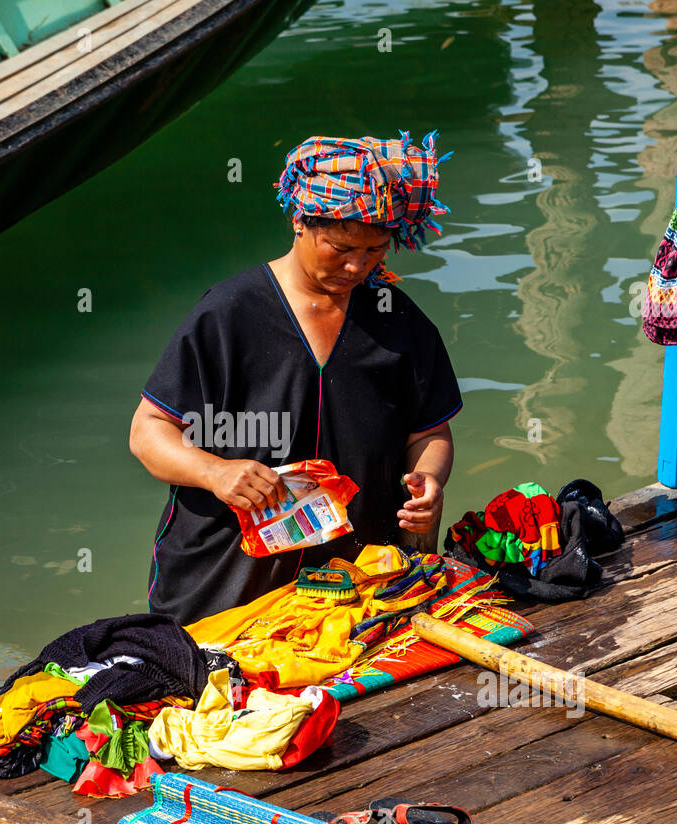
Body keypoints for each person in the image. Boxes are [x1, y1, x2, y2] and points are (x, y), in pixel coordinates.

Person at [130, 130, 463, 625]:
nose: (357, 266)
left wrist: (428, 481)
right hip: (226, 585)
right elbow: (148, 433)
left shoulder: (397, 319)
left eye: (375, 250)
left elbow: (430, 432)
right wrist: (216, 472)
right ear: (299, 222)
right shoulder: (229, 313)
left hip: (356, 587)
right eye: (339, 246)